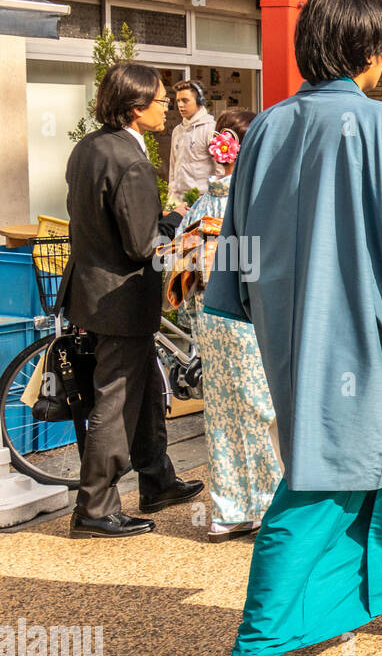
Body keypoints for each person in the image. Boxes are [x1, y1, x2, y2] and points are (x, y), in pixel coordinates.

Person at [203, 0, 382, 656]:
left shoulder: (268, 126)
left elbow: (240, 239)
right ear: (371, 52)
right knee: (325, 476)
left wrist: (253, 303)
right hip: (362, 332)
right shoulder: (381, 128)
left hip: (291, 327)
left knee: (356, 462)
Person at [63, 62, 203, 539]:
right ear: (136, 107)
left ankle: (157, 480)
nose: (167, 109)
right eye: (162, 102)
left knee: (144, 392)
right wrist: (173, 221)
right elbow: (142, 244)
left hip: (92, 288)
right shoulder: (132, 162)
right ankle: (94, 507)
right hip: (121, 297)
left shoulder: (89, 148)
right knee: (116, 400)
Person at [184, 109, 280, 543]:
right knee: (262, 411)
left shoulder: (203, 203)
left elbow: (180, 267)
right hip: (247, 316)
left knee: (221, 414)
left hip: (210, 317)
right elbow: (264, 268)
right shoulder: (256, 201)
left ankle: (228, 510)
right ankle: (269, 504)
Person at [167, 79, 216, 205]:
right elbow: (173, 167)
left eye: (185, 100)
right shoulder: (177, 131)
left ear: (200, 101)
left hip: (202, 202)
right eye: (178, 101)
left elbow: (220, 171)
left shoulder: (211, 129)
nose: (180, 105)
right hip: (178, 202)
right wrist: (171, 197)